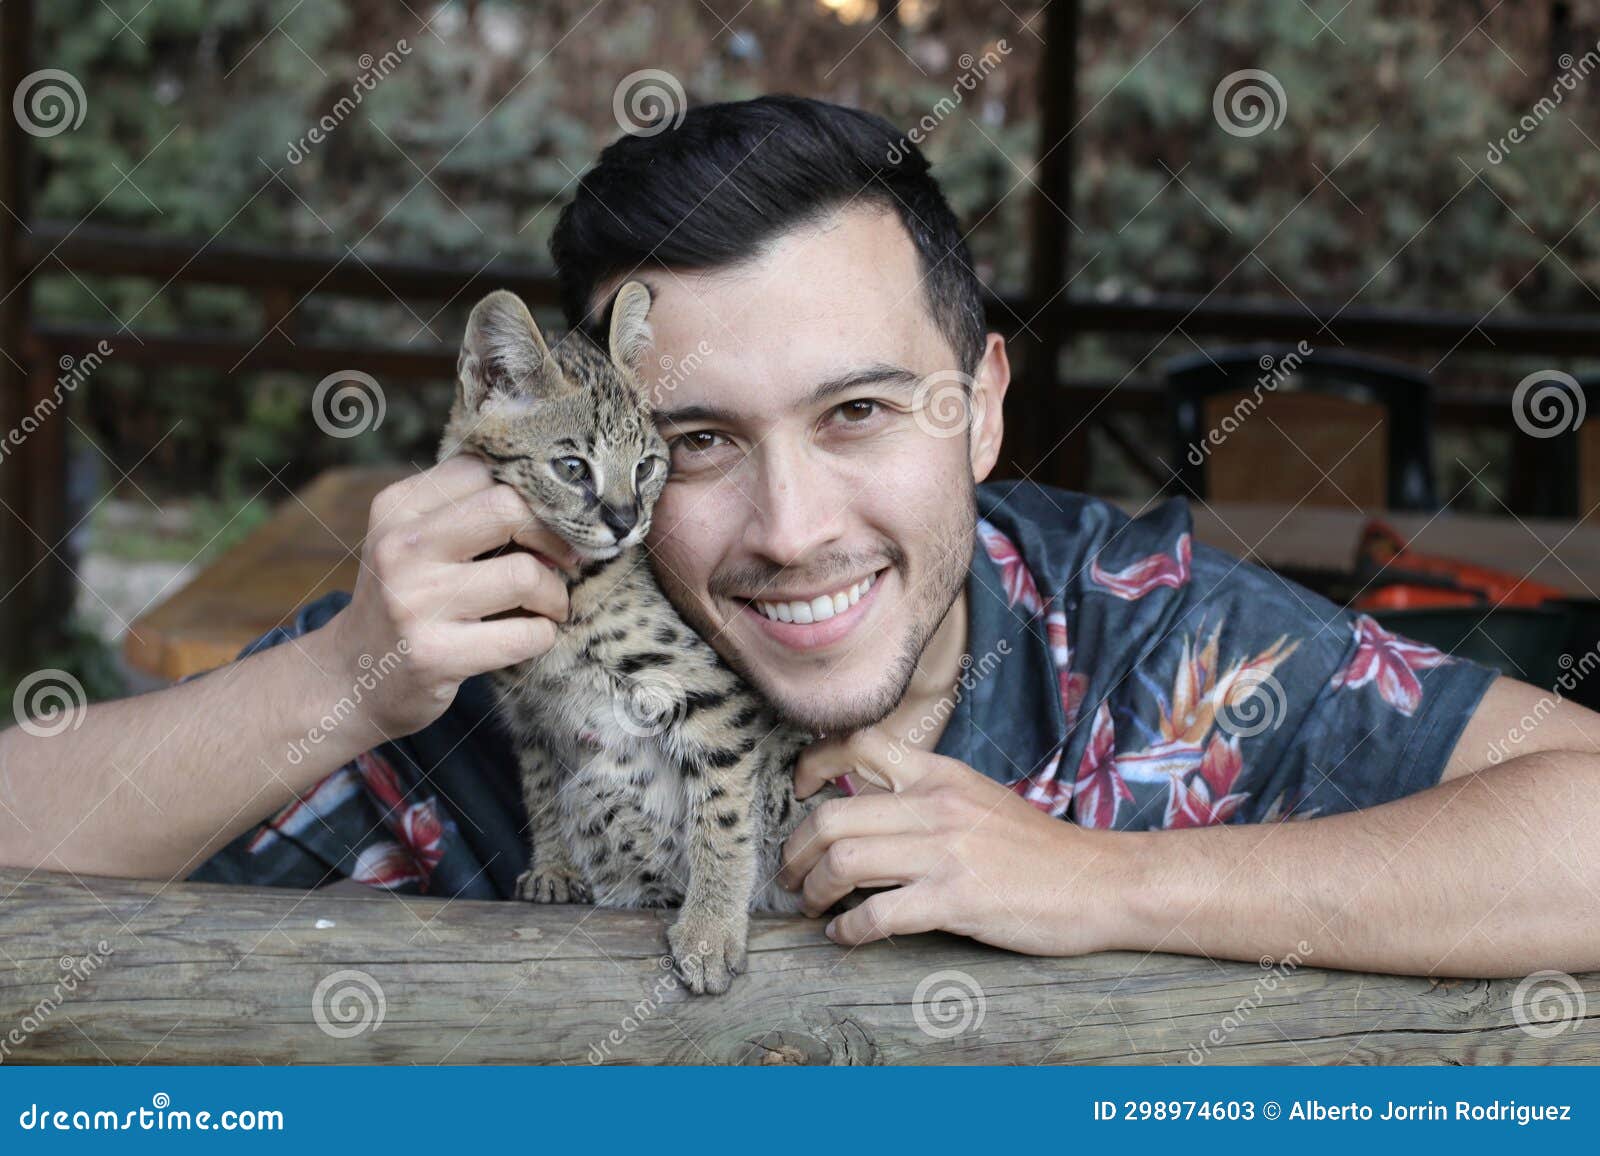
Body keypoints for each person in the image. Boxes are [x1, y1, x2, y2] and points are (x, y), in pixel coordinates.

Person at [4, 95, 1597, 978]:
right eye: (698, 443)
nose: (791, 530)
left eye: (857, 414)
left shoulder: (1137, 624)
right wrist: (342, 683)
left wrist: (1107, 884)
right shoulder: (503, 636)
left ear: (979, 407)